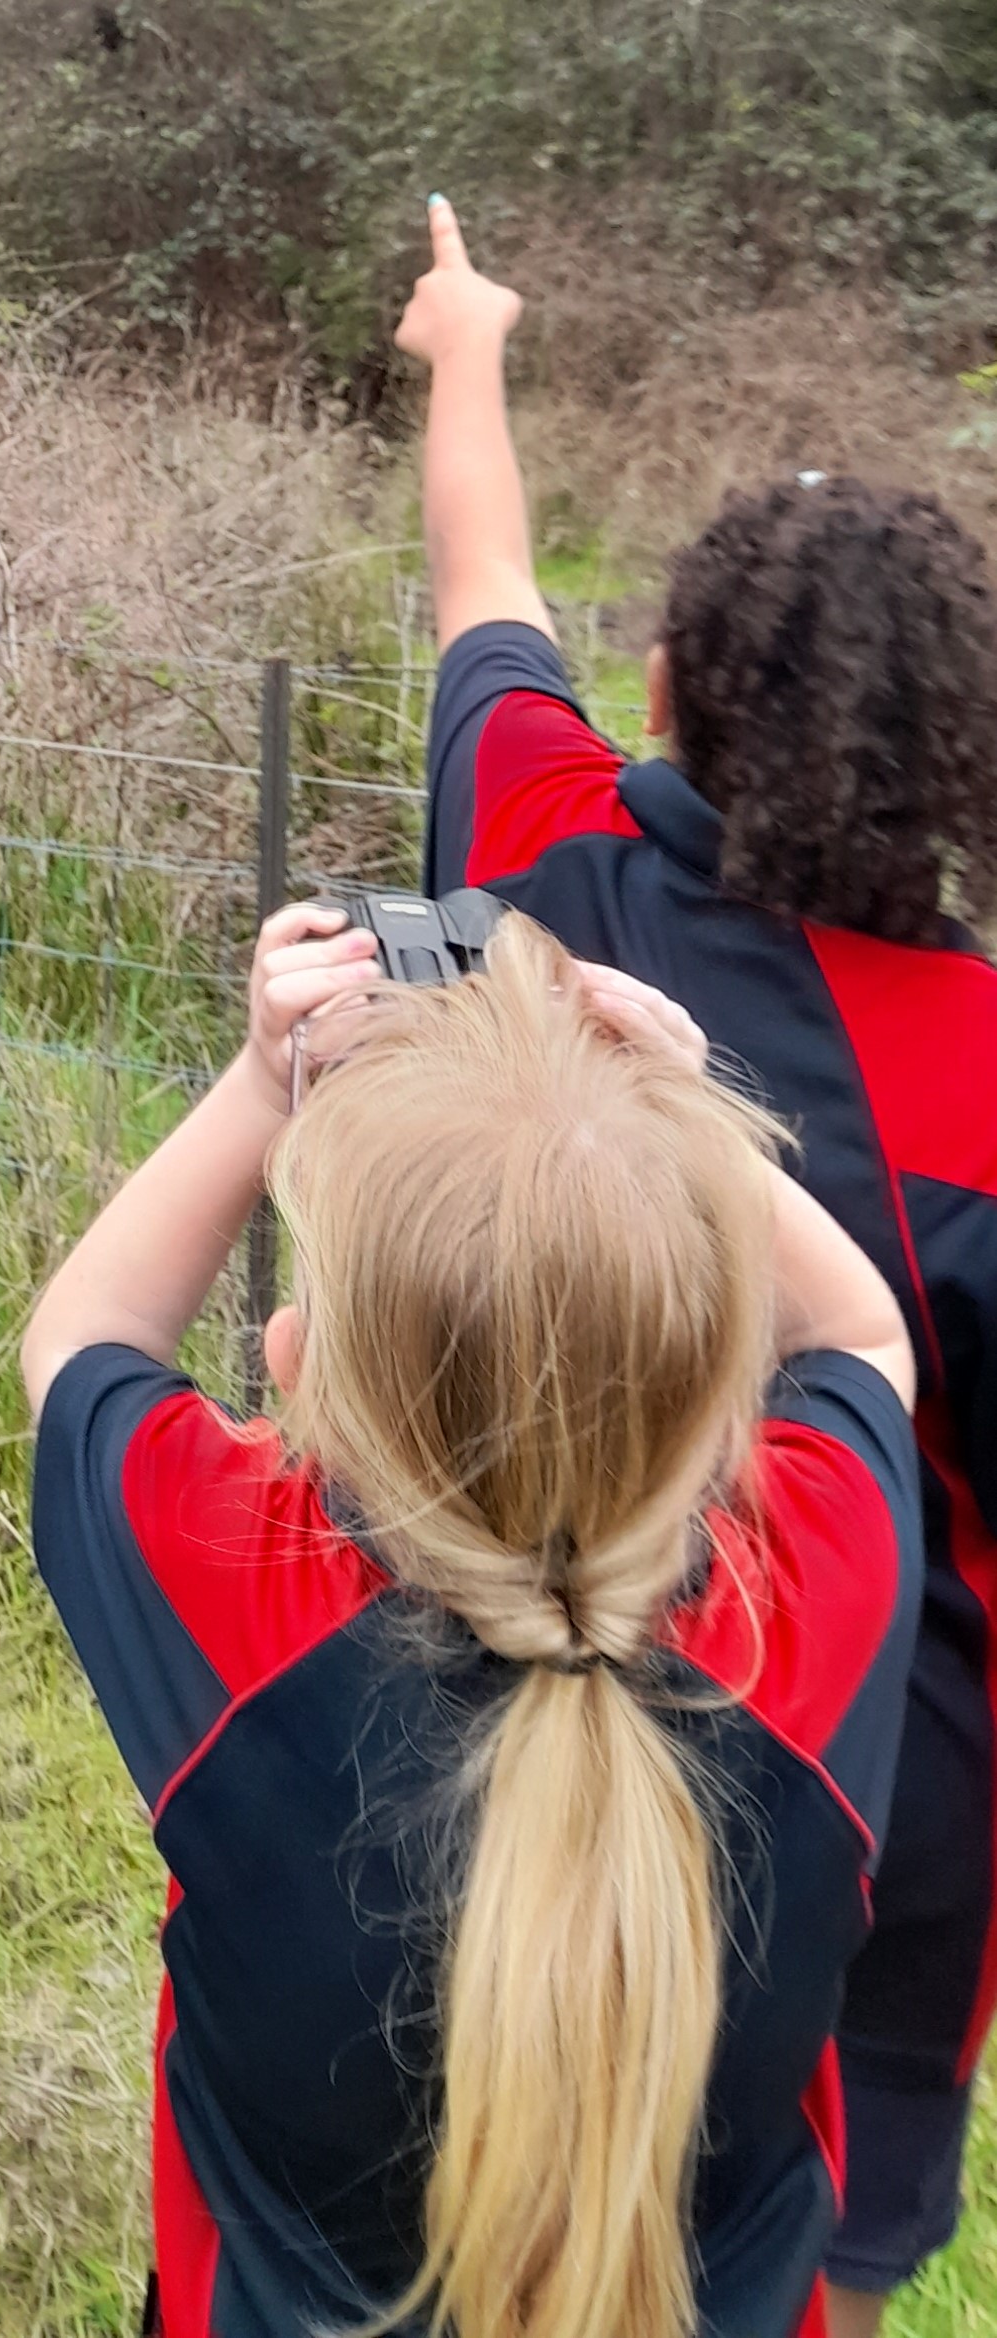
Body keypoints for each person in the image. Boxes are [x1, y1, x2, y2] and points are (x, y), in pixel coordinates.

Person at [22, 901, 923, 2338]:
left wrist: (266, 1079)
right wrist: (669, 1115)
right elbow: (863, 1336)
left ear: (297, 1373)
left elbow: (80, 1343)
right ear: (709, 1382)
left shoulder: (245, 1604)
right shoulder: (807, 1599)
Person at [402, 194, 997, 2333]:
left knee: (498, 2212)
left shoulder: (544, 842)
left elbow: (484, 572)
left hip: (504, 1718)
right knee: (778, 2261)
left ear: (659, 686)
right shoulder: (987, 1081)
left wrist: (466, 339)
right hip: (877, 1817)